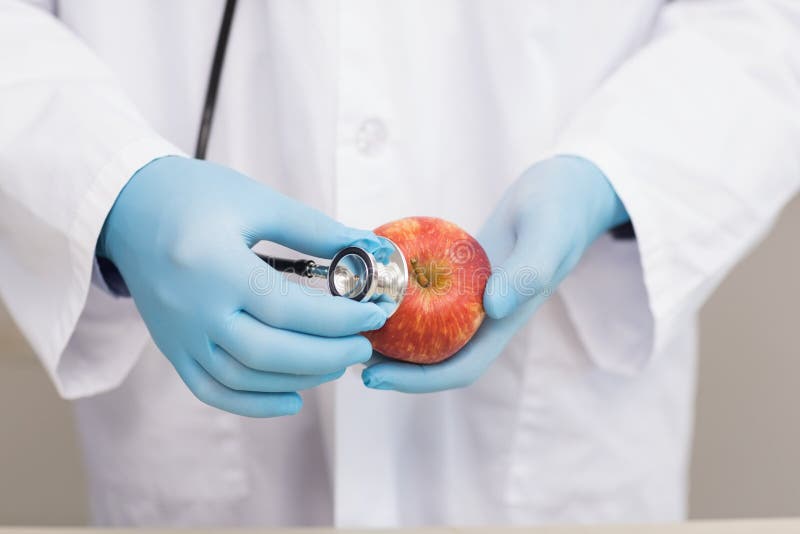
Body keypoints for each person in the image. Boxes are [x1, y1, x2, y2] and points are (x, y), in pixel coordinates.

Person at [1, 0, 799, 528]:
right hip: (197, 451)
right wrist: (113, 190)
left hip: (559, 447)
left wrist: (615, 176)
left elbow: (762, 23)